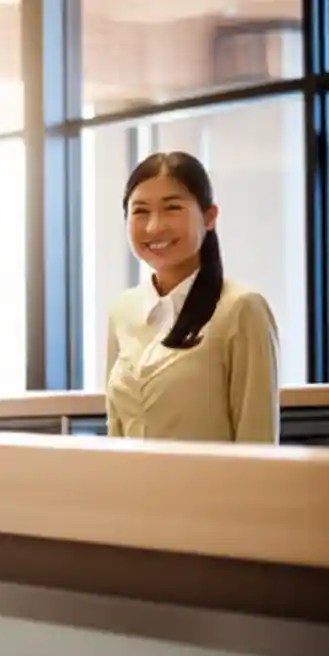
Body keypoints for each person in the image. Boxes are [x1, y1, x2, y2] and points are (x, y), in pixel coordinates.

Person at [105, 151, 280, 443]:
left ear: (209, 217)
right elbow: (115, 430)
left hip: (211, 488)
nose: (154, 226)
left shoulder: (241, 308)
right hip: (131, 487)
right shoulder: (122, 310)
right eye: (140, 211)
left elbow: (258, 440)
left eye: (172, 208)